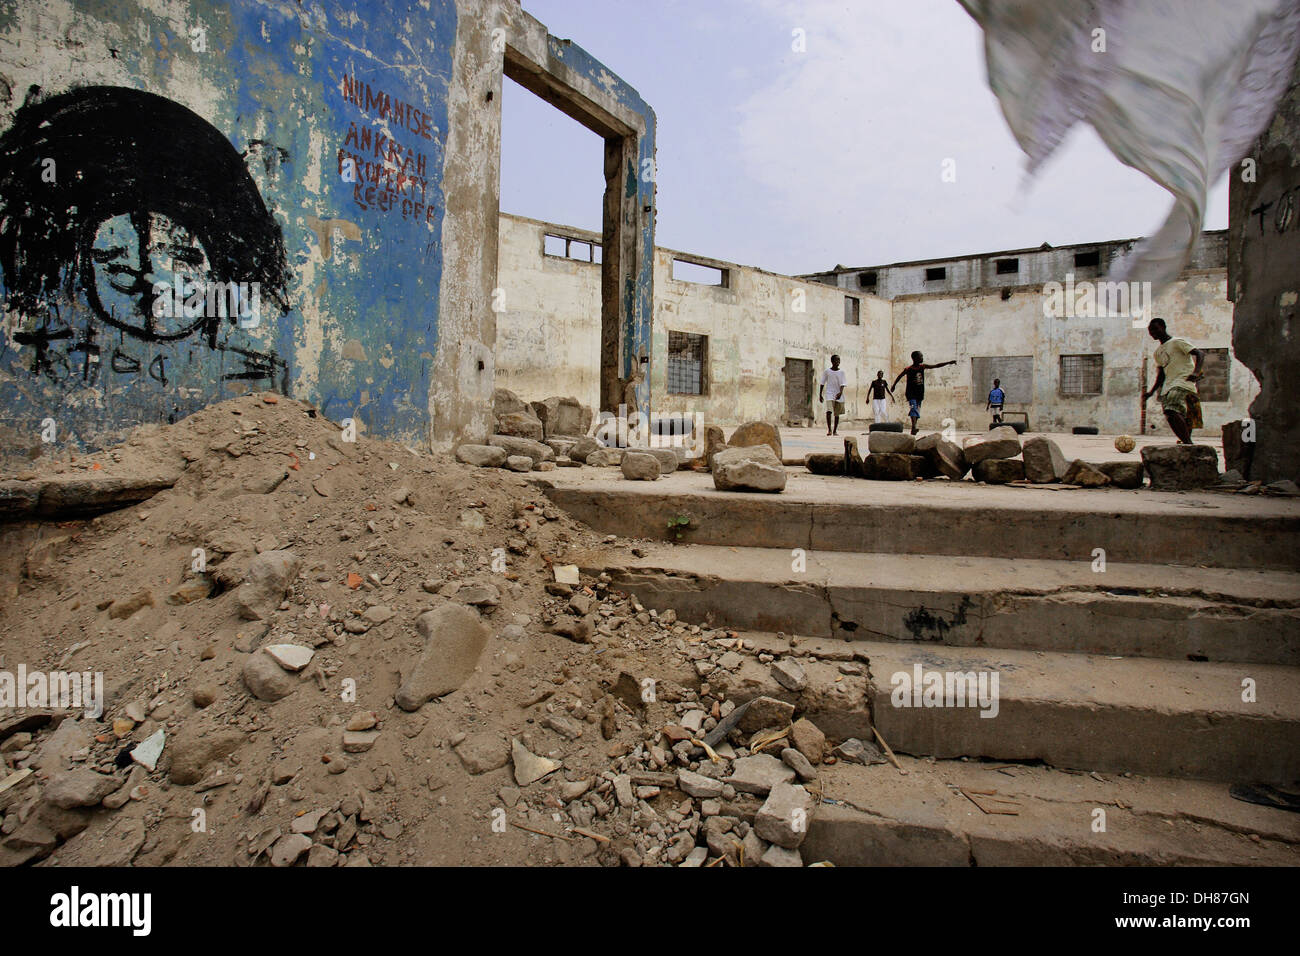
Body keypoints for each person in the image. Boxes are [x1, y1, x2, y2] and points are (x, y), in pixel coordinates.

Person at [1142, 317, 1204, 444]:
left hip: (1183, 382)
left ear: (1163, 327)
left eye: (1155, 329)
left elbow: (1200, 354)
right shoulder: (1157, 353)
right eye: (1150, 331)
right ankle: (1187, 443)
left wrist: (1196, 372)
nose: (1153, 332)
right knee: (1182, 417)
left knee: (1170, 409)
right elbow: (1161, 375)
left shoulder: (1177, 342)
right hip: (1169, 386)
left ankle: (1187, 443)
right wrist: (1152, 392)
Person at [892, 350, 956, 435]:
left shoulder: (922, 367)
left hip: (919, 393)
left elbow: (936, 366)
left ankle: (913, 427)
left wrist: (948, 362)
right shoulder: (908, 369)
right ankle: (914, 427)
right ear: (915, 358)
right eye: (921, 356)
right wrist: (894, 385)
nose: (922, 358)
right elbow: (899, 376)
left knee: (917, 411)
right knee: (913, 408)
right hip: (911, 393)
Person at [819, 354, 847, 436]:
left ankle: (835, 430)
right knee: (829, 411)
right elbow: (822, 383)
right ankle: (829, 430)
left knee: (837, 413)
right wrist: (820, 394)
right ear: (832, 361)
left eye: (839, 360)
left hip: (838, 394)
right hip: (829, 393)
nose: (838, 362)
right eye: (836, 360)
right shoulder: (827, 371)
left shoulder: (842, 372)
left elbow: (843, 384)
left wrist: (840, 393)